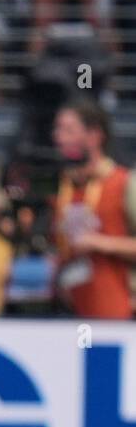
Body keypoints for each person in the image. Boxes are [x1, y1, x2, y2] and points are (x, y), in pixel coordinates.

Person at [51, 99, 136, 319]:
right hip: (70, 309)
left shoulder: (124, 183)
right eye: (58, 129)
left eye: (69, 130)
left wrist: (100, 242)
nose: (59, 137)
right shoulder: (62, 186)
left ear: (95, 136)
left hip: (121, 311)